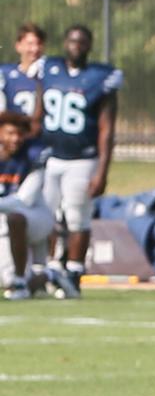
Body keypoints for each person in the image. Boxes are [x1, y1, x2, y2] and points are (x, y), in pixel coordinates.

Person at [38, 24, 119, 298]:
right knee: (46, 216)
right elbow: (38, 110)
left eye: (82, 42)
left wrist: (102, 171)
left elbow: (107, 129)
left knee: (77, 216)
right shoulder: (49, 68)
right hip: (50, 156)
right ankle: (50, 267)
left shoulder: (101, 77)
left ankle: (74, 271)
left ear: (89, 45)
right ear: (65, 43)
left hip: (82, 158)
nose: (77, 46)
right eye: (73, 41)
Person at [0, 111, 53, 300]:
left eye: (20, 134)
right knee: (4, 281)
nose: (15, 139)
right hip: (4, 219)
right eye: (10, 133)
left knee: (15, 218)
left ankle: (22, 281)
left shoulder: (32, 155)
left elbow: (24, 200)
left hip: (35, 217)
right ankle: (50, 275)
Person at [3, 23, 44, 132]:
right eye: (30, 44)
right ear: (18, 46)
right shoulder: (5, 74)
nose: (35, 49)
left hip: (40, 137)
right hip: (13, 136)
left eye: (39, 43)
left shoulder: (48, 75)